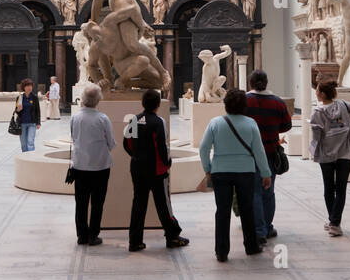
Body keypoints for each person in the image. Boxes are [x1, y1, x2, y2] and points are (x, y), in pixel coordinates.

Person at [199, 87, 271, 261]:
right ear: (244, 106)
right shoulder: (251, 123)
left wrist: (207, 168)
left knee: (222, 211)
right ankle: (251, 247)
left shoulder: (215, 123)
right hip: (245, 171)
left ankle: (222, 251)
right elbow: (259, 151)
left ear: (225, 104)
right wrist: (265, 173)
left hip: (220, 172)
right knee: (247, 209)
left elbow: (203, 148)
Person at [125, 88, 189, 252]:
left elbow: (127, 143)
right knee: (163, 204)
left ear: (142, 103)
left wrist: (137, 156)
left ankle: (135, 241)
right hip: (156, 170)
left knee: (138, 203)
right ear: (158, 104)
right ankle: (172, 236)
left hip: (137, 167)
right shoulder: (158, 121)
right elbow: (161, 146)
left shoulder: (134, 119)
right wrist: (167, 163)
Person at [309, 79, 350, 236]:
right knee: (341, 188)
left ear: (322, 94)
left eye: (317, 91)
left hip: (326, 155)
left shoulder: (317, 113)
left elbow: (316, 137)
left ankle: (334, 222)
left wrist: (313, 150)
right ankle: (334, 222)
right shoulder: (344, 105)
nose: (316, 93)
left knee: (328, 189)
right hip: (345, 154)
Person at [246, 70, 293, 244]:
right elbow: (287, 125)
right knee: (268, 191)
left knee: (255, 192)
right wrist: (272, 129)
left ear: (250, 83)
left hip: (249, 153)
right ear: (266, 82)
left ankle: (259, 230)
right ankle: (267, 226)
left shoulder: (245, 101)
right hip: (271, 152)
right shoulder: (277, 103)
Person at [70, 82, 115, 245]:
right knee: (97, 203)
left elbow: (74, 138)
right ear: (98, 100)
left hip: (80, 166)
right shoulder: (103, 118)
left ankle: (81, 235)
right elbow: (111, 142)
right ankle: (93, 235)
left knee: (80, 203)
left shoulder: (75, 117)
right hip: (100, 167)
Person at [13, 78, 40, 151]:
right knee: (23, 144)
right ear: (24, 87)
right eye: (27, 86)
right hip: (22, 124)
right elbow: (17, 111)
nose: (29, 88)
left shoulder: (34, 98)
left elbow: (37, 111)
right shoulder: (20, 97)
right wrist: (18, 110)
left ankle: (30, 159)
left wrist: (38, 123)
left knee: (30, 142)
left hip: (32, 123)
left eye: (30, 86)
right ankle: (25, 158)